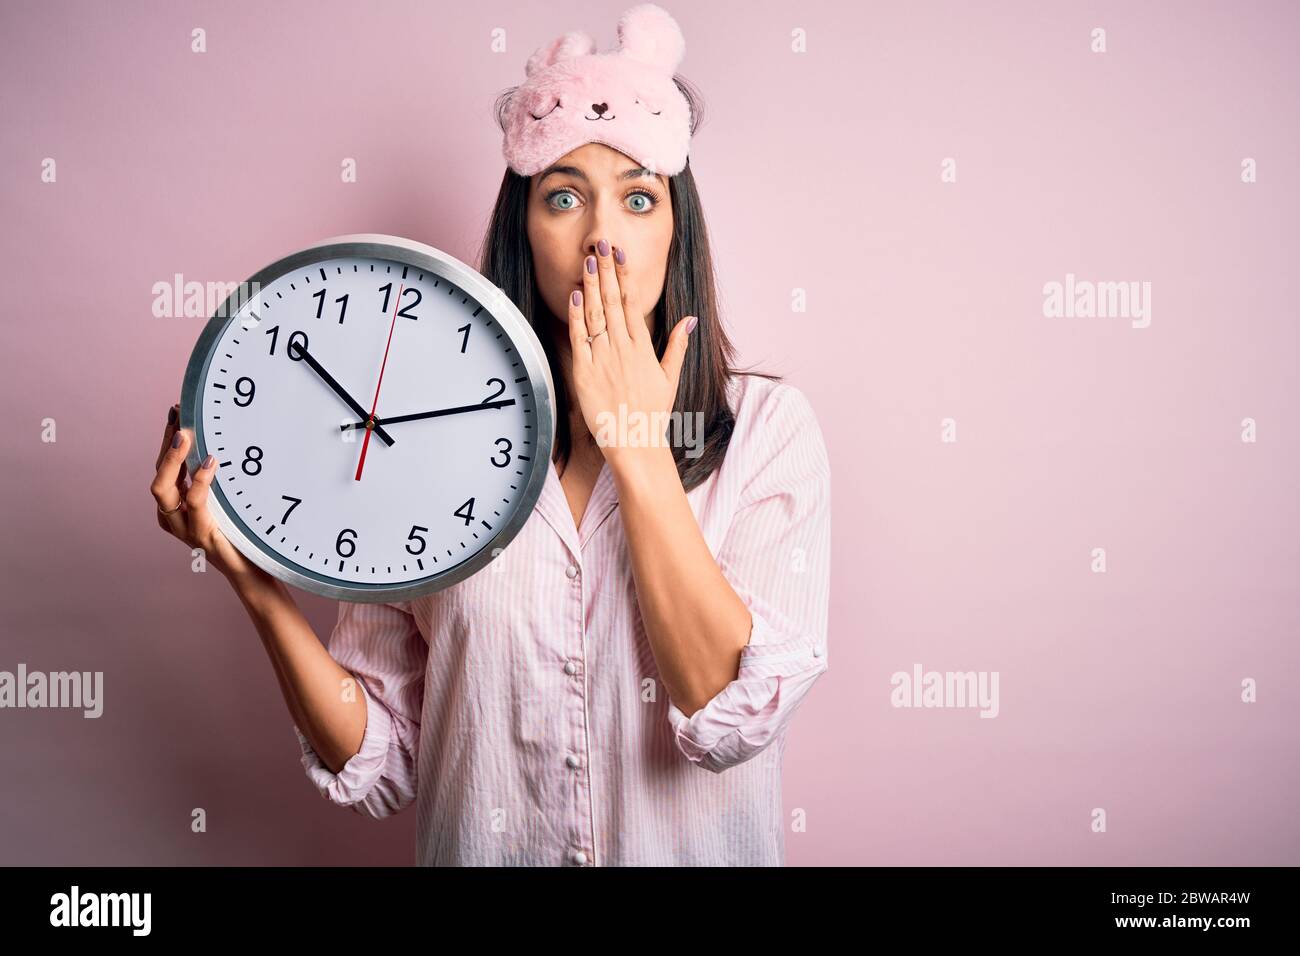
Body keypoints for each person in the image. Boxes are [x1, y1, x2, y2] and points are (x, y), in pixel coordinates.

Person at [150, 3, 831, 866]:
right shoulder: (412, 444)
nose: (601, 240)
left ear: (676, 229)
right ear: (524, 227)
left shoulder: (770, 433)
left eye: (636, 198)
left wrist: (635, 444)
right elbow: (385, 761)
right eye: (562, 198)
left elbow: (726, 716)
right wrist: (256, 584)